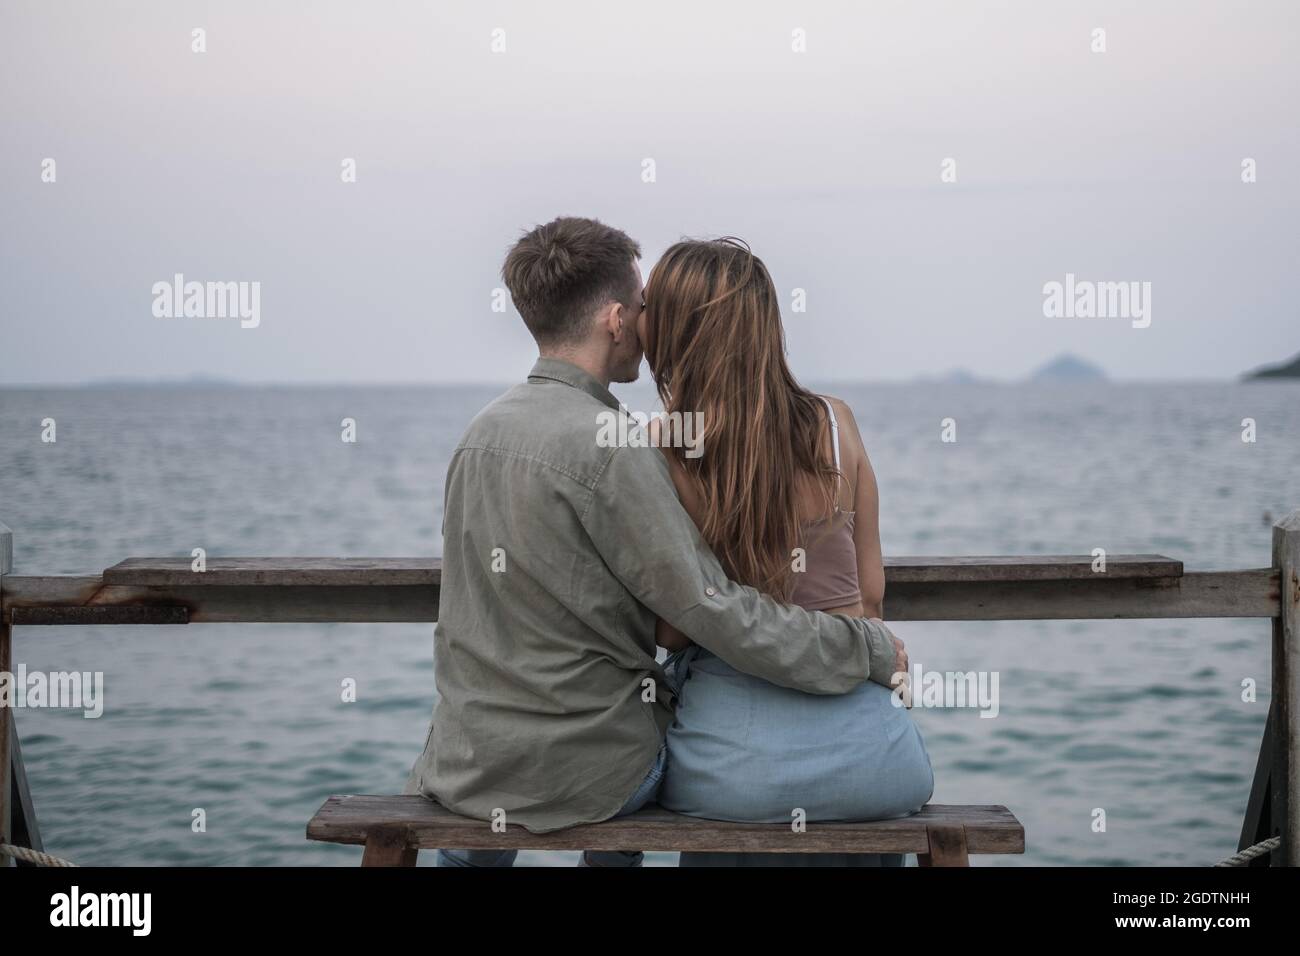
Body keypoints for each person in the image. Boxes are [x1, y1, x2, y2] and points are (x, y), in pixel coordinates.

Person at [404, 217, 905, 866]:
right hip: (593, 773)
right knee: (658, 751)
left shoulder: (479, 436)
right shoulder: (619, 447)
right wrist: (858, 643)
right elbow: (705, 610)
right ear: (615, 320)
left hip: (464, 759)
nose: (648, 323)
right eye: (642, 308)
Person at [640, 238, 935, 866]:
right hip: (876, 764)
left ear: (673, 334)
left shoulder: (663, 448)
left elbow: (672, 629)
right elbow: (872, 600)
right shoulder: (836, 423)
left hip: (733, 771)